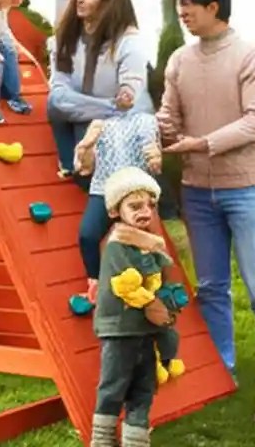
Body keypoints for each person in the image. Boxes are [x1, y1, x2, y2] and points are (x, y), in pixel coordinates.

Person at [157, 0, 255, 424]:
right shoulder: (179, 60)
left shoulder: (251, 56)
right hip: (197, 191)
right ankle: (220, 376)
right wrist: (157, 130)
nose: (183, 15)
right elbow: (169, 116)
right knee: (211, 290)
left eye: (188, 7)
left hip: (250, 189)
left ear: (213, 7)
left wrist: (203, 143)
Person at [89, 167, 189, 447]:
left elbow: (160, 277)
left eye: (150, 205)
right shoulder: (117, 244)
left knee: (144, 388)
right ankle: (102, 441)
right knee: (113, 387)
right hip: (120, 329)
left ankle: (135, 440)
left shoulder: (148, 242)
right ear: (114, 211)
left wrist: (169, 297)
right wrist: (155, 305)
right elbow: (126, 285)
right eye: (135, 206)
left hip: (145, 331)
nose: (144, 211)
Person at [47, 0, 151, 186]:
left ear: (107, 3)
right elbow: (59, 88)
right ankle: (69, 166)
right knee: (55, 102)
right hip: (81, 110)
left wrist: (125, 96)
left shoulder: (128, 41)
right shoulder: (65, 36)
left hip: (111, 124)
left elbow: (132, 89)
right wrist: (110, 106)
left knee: (128, 112)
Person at [70, 108, 163, 311]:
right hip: (105, 187)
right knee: (88, 234)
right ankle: (96, 282)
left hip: (137, 187)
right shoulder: (98, 119)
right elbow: (83, 168)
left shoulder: (146, 120)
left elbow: (156, 164)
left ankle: (150, 288)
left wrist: (156, 157)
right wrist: (86, 146)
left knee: (143, 240)